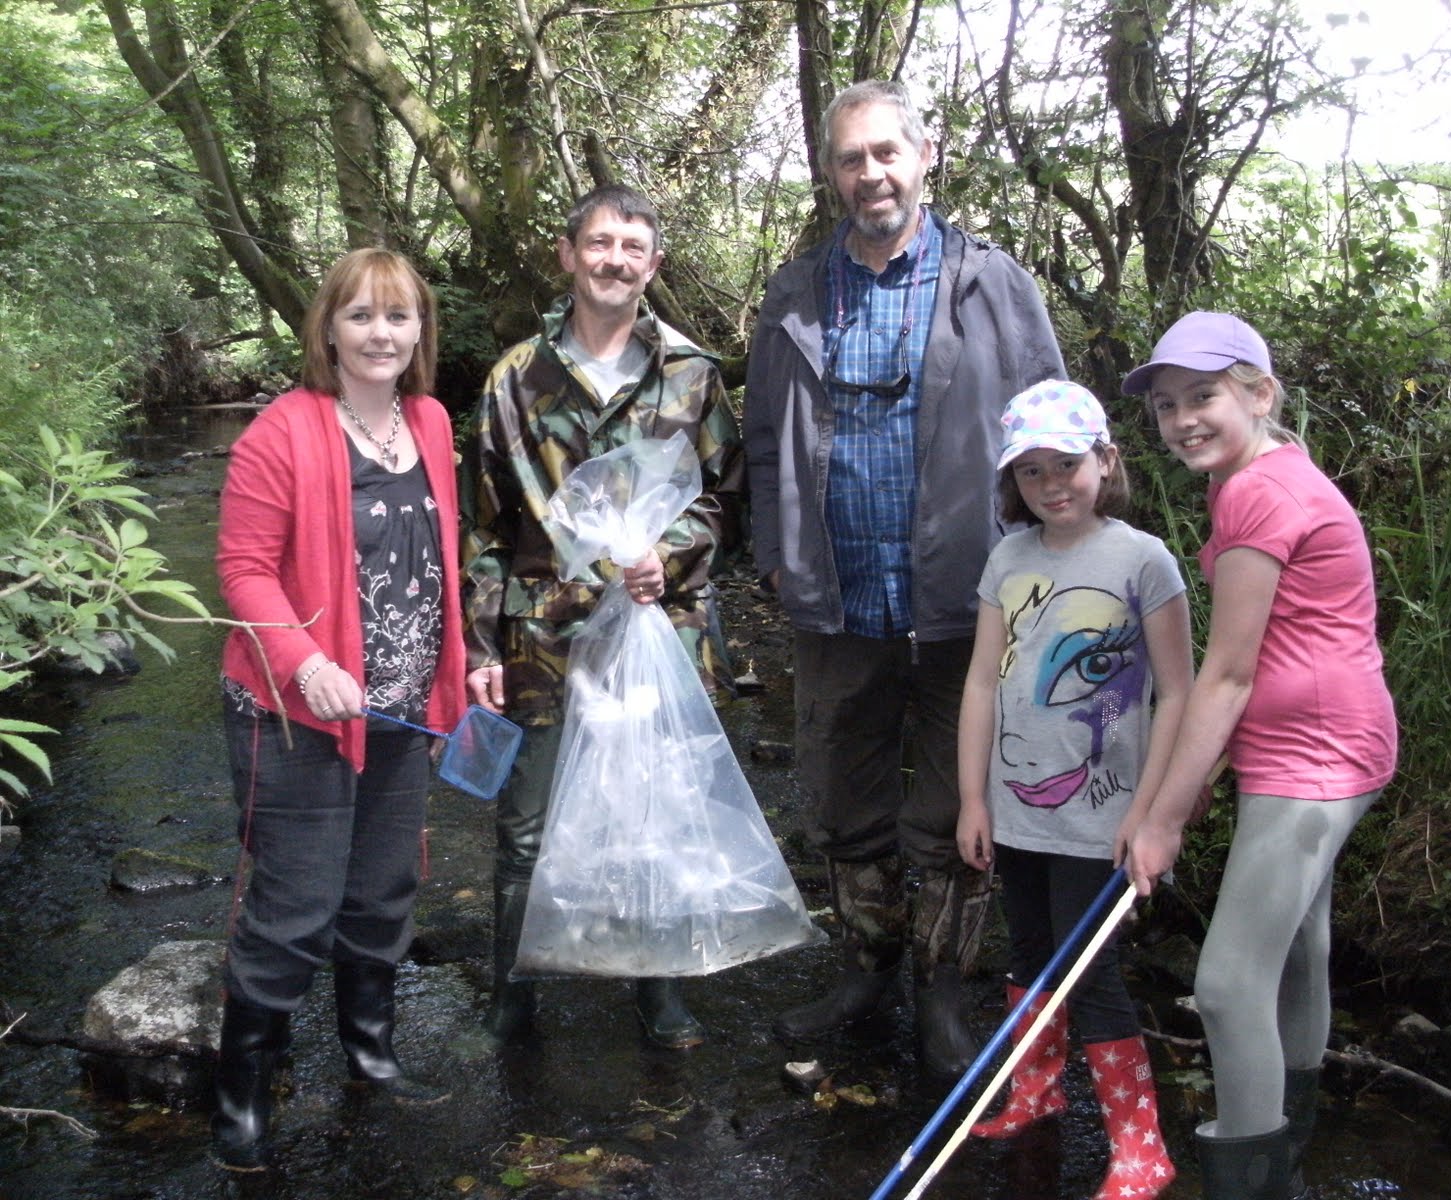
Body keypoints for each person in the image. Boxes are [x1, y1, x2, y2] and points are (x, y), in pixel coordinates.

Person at [743, 78, 1066, 1079]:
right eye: (851, 157)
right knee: (843, 795)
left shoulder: (992, 284)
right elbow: (762, 438)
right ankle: (865, 971)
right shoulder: (796, 291)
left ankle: (941, 991)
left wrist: (1057, 567)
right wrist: (774, 551)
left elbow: (1053, 427)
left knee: (959, 800)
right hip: (836, 596)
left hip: (965, 597)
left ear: (926, 156)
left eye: (887, 152)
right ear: (830, 172)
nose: (870, 173)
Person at [460, 183, 745, 1050]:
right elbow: (485, 522)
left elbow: (729, 500)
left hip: (663, 633)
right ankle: (515, 995)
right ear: (567, 253)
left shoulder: (692, 374)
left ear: (653, 265)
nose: (615, 260)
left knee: (654, 814)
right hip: (546, 634)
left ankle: (657, 993)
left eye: (633, 247)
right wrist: (480, 644)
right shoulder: (515, 378)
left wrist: (673, 554)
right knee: (527, 828)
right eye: (600, 243)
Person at [1122, 313, 1397, 1200]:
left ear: (1260, 394)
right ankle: (1293, 1153)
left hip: (1313, 757)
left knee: (1231, 984)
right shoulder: (1260, 474)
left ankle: (1255, 1181)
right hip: (1334, 739)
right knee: (1298, 951)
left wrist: (1163, 814)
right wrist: (1203, 772)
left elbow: (1231, 671)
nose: (1181, 420)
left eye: (1203, 396)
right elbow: (1269, 651)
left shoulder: (1259, 493)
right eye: (1166, 405)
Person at [212, 248, 466, 1171]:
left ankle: (370, 1052)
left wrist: (459, 669)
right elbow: (242, 568)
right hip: (297, 713)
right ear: (327, 329)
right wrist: (305, 661)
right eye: (360, 316)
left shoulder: (432, 422)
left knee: (382, 890)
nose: (381, 334)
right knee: (293, 908)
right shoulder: (281, 431)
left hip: (398, 709)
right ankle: (238, 1094)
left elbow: (436, 561)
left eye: (398, 317)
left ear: (419, 332)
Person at [954, 380, 1189, 1198]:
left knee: (1093, 974)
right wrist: (974, 799)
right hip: (1016, 807)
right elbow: (984, 681)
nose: (1052, 485)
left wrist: (1153, 812)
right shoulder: (1007, 559)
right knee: (1025, 954)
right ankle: (1035, 1092)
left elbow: (1178, 694)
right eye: (1030, 473)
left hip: (1103, 818)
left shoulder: (1142, 560)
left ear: (1105, 461)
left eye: (1068, 464)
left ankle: (1142, 1146)